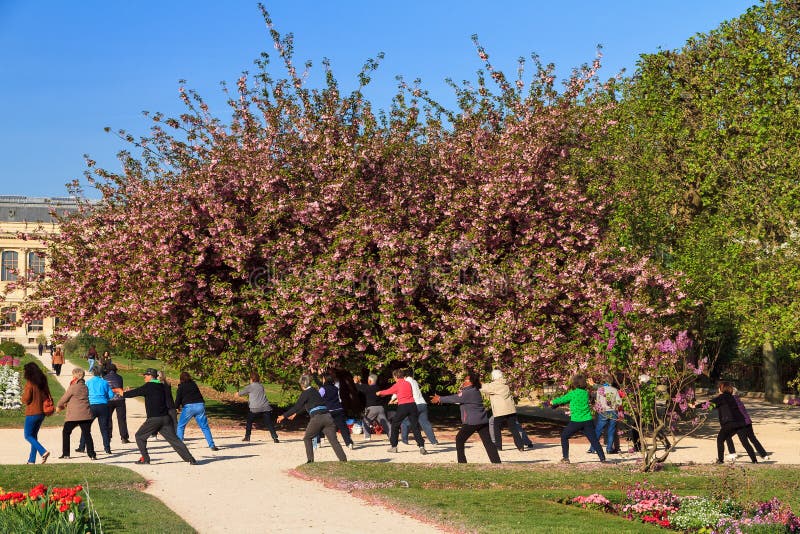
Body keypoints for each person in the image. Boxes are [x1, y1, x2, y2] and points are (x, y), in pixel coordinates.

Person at [123, 368, 197, 465]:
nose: (144, 377)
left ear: (150, 376)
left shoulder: (148, 386)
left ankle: (145, 459)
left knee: (139, 436)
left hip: (154, 418)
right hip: (165, 418)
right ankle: (191, 459)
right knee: (174, 440)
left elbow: (134, 393)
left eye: (145, 375)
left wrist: (121, 393)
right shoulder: (162, 386)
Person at [432, 371, 501, 464]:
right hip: (482, 420)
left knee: (459, 439)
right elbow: (458, 398)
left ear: (470, 382)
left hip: (472, 422)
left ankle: (462, 462)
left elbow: (455, 398)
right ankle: (496, 463)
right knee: (488, 442)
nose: (463, 382)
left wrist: (440, 398)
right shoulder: (474, 390)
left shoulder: (469, 392)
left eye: (465, 380)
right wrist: (443, 398)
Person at [276, 374, 347, 463]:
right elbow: (306, 406)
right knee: (333, 440)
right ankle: (343, 460)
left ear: (302, 384)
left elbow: (297, 406)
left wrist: (283, 416)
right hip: (328, 416)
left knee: (307, 438)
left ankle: (310, 460)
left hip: (317, 418)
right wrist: (296, 414)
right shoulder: (314, 391)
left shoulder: (305, 393)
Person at [550, 374, 607, 464]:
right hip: (588, 421)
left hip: (576, 421)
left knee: (564, 436)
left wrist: (552, 402)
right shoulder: (586, 393)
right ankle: (602, 458)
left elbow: (562, 399)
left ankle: (565, 458)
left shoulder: (573, 393)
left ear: (575, 383)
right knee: (594, 440)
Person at [377, 369, 427, 455]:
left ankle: (394, 446)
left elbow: (388, 391)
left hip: (403, 407)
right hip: (412, 405)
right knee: (415, 426)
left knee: (395, 425)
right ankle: (421, 446)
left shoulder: (397, 384)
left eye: (394, 377)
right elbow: (406, 394)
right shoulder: (408, 383)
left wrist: (379, 393)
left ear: (396, 376)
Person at [709, 381, 757, 464]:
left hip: (730, 423)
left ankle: (720, 460)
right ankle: (754, 461)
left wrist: (695, 406)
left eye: (719, 387)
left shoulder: (722, 397)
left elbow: (709, 404)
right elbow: (713, 405)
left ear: (722, 389)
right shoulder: (734, 397)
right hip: (741, 422)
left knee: (720, 439)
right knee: (745, 442)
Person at [56, 367, 96, 460]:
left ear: (76, 376)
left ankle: (66, 454)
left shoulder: (73, 387)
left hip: (75, 415)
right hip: (86, 414)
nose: (72, 376)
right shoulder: (85, 386)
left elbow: (64, 398)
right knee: (87, 434)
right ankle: (92, 454)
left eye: (73, 374)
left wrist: (58, 406)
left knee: (66, 432)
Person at [480, 369, 524, 451]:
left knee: (496, 427)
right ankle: (520, 446)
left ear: (493, 376)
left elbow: (482, 387)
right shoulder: (506, 385)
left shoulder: (493, 385)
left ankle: (498, 446)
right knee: (513, 428)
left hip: (500, 411)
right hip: (510, 410)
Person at [175, 372, 219, 450]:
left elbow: (178, 398)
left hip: (189, 407)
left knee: (181, 426)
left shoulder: (181, 387)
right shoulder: (194, 385)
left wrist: (176, 407)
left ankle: (180, 446)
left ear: (181, 379)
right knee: (205, 427)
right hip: (200, 405)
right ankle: (212, 445)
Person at [77, 366, 115, 455]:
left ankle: (82, 447)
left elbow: (84, 394)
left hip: (92, 406)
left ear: (93, 373)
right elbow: (111, 395)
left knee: (86, 427)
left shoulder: (88, 382)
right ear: (101, 373)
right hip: (103, 406)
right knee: (104, 428)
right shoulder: (104, 382)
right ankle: (107, 448)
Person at [725, 388, 771, 461]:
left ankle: (733, 453)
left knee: (743, 442)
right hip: (748, 422)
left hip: (740, 424)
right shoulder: (738, 400)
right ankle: (764, 455)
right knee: (753, 439)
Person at [235, 371, 280, 443]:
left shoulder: (250, 387)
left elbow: (239, 394)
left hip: (254, 408)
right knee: (269, 422)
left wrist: (237, 393)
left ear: (251, 379)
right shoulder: (261, 386)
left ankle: (247, 437)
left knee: (249, 421)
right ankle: (275, 437)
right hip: (265, 407)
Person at [21, 362, 51, 464]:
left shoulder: (30, 383)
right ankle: (31, 460)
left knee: (27, 435)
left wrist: (22, 397)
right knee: (33, 436)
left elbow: (26, 399)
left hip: (32, 412)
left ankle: (43, 451)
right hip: (41, 412)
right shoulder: (43, 380)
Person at [400, 370, 439, 446]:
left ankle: (404, 440)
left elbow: (401, 391)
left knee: (405, 422)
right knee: (425, 423)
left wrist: (393, 399)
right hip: (422, 403)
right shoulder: (415, 381)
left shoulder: (406, 382)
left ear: (404, 376)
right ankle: (434, 441)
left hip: (414, 404)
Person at [318, 371, 354, 449]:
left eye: (323, 379)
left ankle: (319, 442)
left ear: (325, 379)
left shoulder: (322, 389)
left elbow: (318, 399)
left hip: (328, 410)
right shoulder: (335, 388)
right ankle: (349, 443)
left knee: (320, 424)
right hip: (338, 409)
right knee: (343, 427)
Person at [589, 376, 622, 455]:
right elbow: (619, 402)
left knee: (598, 430)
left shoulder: (600, 389)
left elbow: (598, 401)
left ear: (604, 381)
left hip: (603, 411)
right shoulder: (615, 390)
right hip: (613, 411)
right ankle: (609, 449)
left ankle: (593, 448)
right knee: (611, 431)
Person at [353, 373, 390, 439]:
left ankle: (367, 437)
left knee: (365, 421)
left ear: (370, 381)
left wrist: (355, 382)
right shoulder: (378, 387)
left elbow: (359, 387)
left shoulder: (368, 388)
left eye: (368, 380)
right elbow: (364, 386)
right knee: (385, 423)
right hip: (381, 408)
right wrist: (359, 382)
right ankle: (391, 435)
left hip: (372, 408)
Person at [103, 363, 130, 444]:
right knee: (122, 419)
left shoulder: (104, 378)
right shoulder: (120, 377)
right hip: (120, 399)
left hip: (109, 400)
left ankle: (108, 436)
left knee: (108, 418)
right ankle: (124, 437)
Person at [151, 370, 177, 439]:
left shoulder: (156, 384)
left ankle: (154, 434)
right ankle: (176, 435)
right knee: (174, 421)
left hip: (162, 404)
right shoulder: (168, 383)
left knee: (156, 420)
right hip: (170, 404)